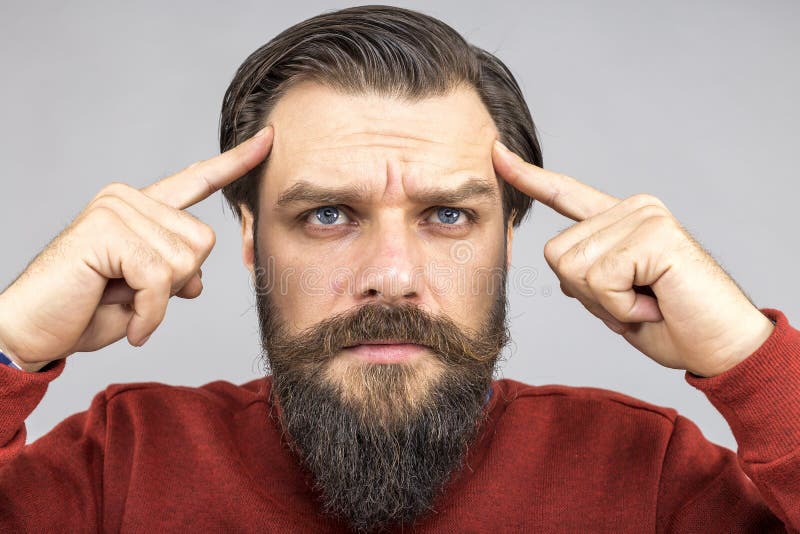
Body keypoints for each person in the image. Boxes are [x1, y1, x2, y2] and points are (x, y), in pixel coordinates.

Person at [0, 5, 797, 533]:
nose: (391, 274)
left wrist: (748, 361)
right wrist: (10, 341)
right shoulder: (120, 465)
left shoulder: (648, 475)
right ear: (247, 235)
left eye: (448, 215)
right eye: (327, 214)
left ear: (510, 237)